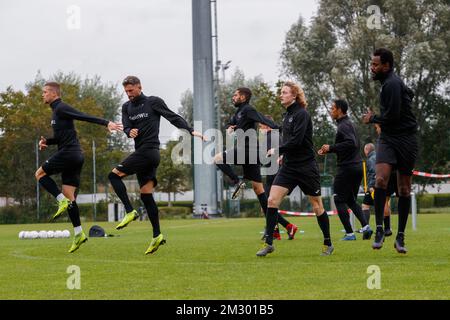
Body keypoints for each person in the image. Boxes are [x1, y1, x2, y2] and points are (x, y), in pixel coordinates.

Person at [108, 76, 204, 255]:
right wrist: (130, 131)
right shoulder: (126, 107)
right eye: (126, 91)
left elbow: (172, 117)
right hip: (143, 154)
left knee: (113, 175)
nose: (129, 94)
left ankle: (129, 211)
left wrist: (190, 130)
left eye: (131, 90)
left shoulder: (153, 102)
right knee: (146, 195)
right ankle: (157, 235)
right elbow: (127, 127)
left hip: (149, 152)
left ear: (139, 87)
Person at [35, 82, 123, 253]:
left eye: (45, 92)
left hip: (69, 154)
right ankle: (79, 234)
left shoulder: (61, 108)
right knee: (70, 196)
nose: (42, 95)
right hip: (75, 155)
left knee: (39, 174)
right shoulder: (56, 112)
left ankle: (60, 201)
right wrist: (47, 141)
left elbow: (83, 116)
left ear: (54, 93)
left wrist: (107, 123)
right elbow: (62, 137)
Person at [256, 81, 333, 257]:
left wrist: (278, 150)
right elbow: (289, 139)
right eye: (281, 92)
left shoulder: (302, 114)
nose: (281, 95)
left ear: (294, 95)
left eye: (284, 92)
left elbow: (297, 141)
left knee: (317, 206)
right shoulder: (287, 115)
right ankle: (269, 243)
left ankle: (327, 242)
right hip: (289, 167)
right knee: (271, 201)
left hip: (306, 167)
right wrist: (284, 155)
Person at [213, 88, 297, 239]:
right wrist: (230, 127)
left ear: (243, 97)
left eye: (236, 95)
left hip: (247, 150)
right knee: (260, 192)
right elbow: (230, 124)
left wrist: (279, 127)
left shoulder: (248, 110)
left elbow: (262, 119)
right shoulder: (238, 113)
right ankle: (285, 227)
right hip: (249, 154)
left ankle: (236, 181)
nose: (233, 97)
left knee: (217, 159)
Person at [363, 48, 418, 253]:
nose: (372, 67)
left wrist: (372, 119)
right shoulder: (389, 84)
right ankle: (379, 229)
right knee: (380, 180)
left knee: (404, 189)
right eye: (372, 63)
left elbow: (393, 116)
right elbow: (408, 94)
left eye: (375, 64)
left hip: (406, 140)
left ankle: (400, 237)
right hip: (388, 138)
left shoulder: (392, 84)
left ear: (386, 66)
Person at [318, 100, 372, 241]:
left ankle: (349, 233)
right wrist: (329, 150)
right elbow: (349, 145)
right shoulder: (349, 124)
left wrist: (331, 147)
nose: (331, 110)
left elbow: (351, 143)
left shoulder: (343, 125)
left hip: (347, 168)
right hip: (357, 166)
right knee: (350, 200)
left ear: (340, 110)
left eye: (333, 108)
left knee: (338, 199)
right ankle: (366, 227)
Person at [259, 119, 298, 241]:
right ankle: (276, 231)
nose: (260, 130)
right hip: (275, 173)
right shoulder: (277, 136)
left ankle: (287, 226)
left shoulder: (270, 137)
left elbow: (266, 155)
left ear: (267, 126)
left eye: (261, 126)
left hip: (273, 174)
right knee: (268, 205)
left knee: (267, 206)